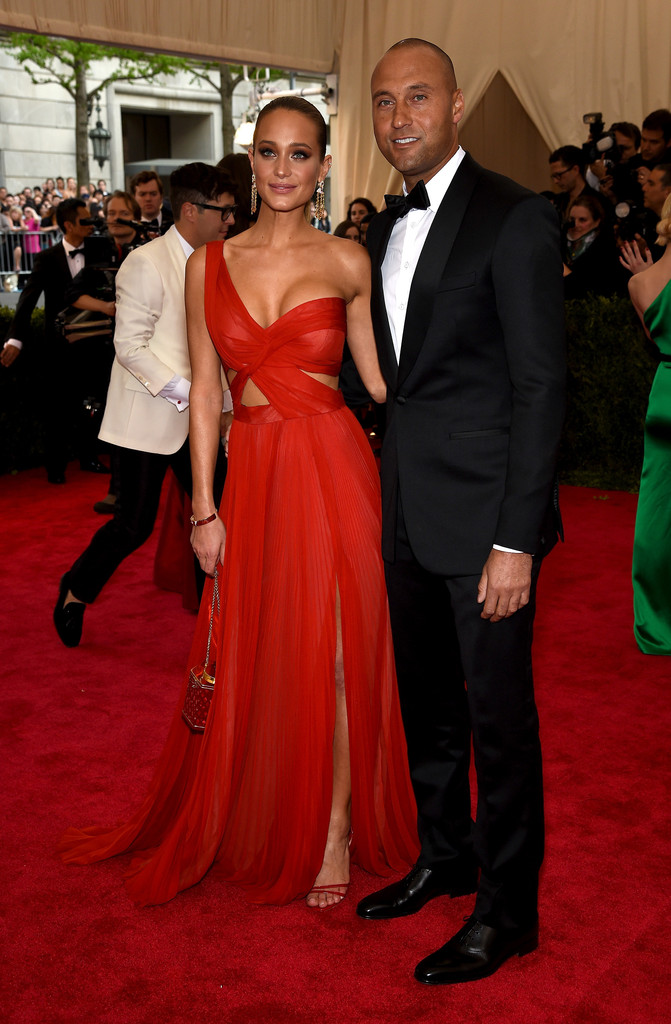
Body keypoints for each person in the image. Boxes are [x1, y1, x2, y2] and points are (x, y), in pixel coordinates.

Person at [58, 96, 419, 911]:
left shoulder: (349, 262)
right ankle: (264, 802)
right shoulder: (205, 265)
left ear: (324, 166)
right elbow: (211, 398)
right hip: (252, 472)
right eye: (268, 152)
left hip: (333, 466)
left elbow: (379, 386)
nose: (283, 168)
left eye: (301, 154)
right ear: (248, 163)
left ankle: (334, 828)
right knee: (260, 648)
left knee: (333, 654)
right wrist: (203, 508)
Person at [351, 38, 566, 985]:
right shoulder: (374, 232)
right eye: (384, 101)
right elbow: (395, 384)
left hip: (485, 526)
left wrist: (515, 539)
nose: (400, 117)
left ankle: (507, 911)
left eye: (418, 98)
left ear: (458, 103)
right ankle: (444, 857)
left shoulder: (515, 217)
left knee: (498, 724)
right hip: (400, 512)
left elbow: (540, 387)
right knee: (426, 707)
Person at [52, 163, 235, 647]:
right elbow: (130, 347)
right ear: (193, 210)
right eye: (225, 211)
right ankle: (75, 588)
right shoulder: (146, 261)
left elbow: (219, 346)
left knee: (214, 518)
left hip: (200, 416)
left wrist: (225, 408)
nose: (231, 220)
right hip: (150, 416)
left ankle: (213, 632)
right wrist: (190, 394)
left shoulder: (221, 260)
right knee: (133, 526)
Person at [1, 198, 103, 482]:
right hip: (58, 346)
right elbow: (28, 299)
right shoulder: (46, 258)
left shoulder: (99, 250)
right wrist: (15, 339)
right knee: (57, 408)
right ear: (69, 225)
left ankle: (89, 457)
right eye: (84, 220)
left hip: (94, 341)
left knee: (92, 403)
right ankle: (56, 466)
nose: (91, 225)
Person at [628, 194, 671, 654]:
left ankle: (657, 624)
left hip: (664, 397)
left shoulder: (641, 284)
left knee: (658, 511)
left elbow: (656, 339)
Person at [562, 195, 624, 298]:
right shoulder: (561, 245)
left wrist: (565, 273)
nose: (575, 225)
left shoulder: (606, 251)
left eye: (582, 220)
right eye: (572, 219)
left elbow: (591, 291)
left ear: (597, 221)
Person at [130, 170, 174, 237]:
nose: (148, 199)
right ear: (134, 198)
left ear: (161, 196)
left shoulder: (176, 224)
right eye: (142, 194)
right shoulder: (129, 226)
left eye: (153, 194)